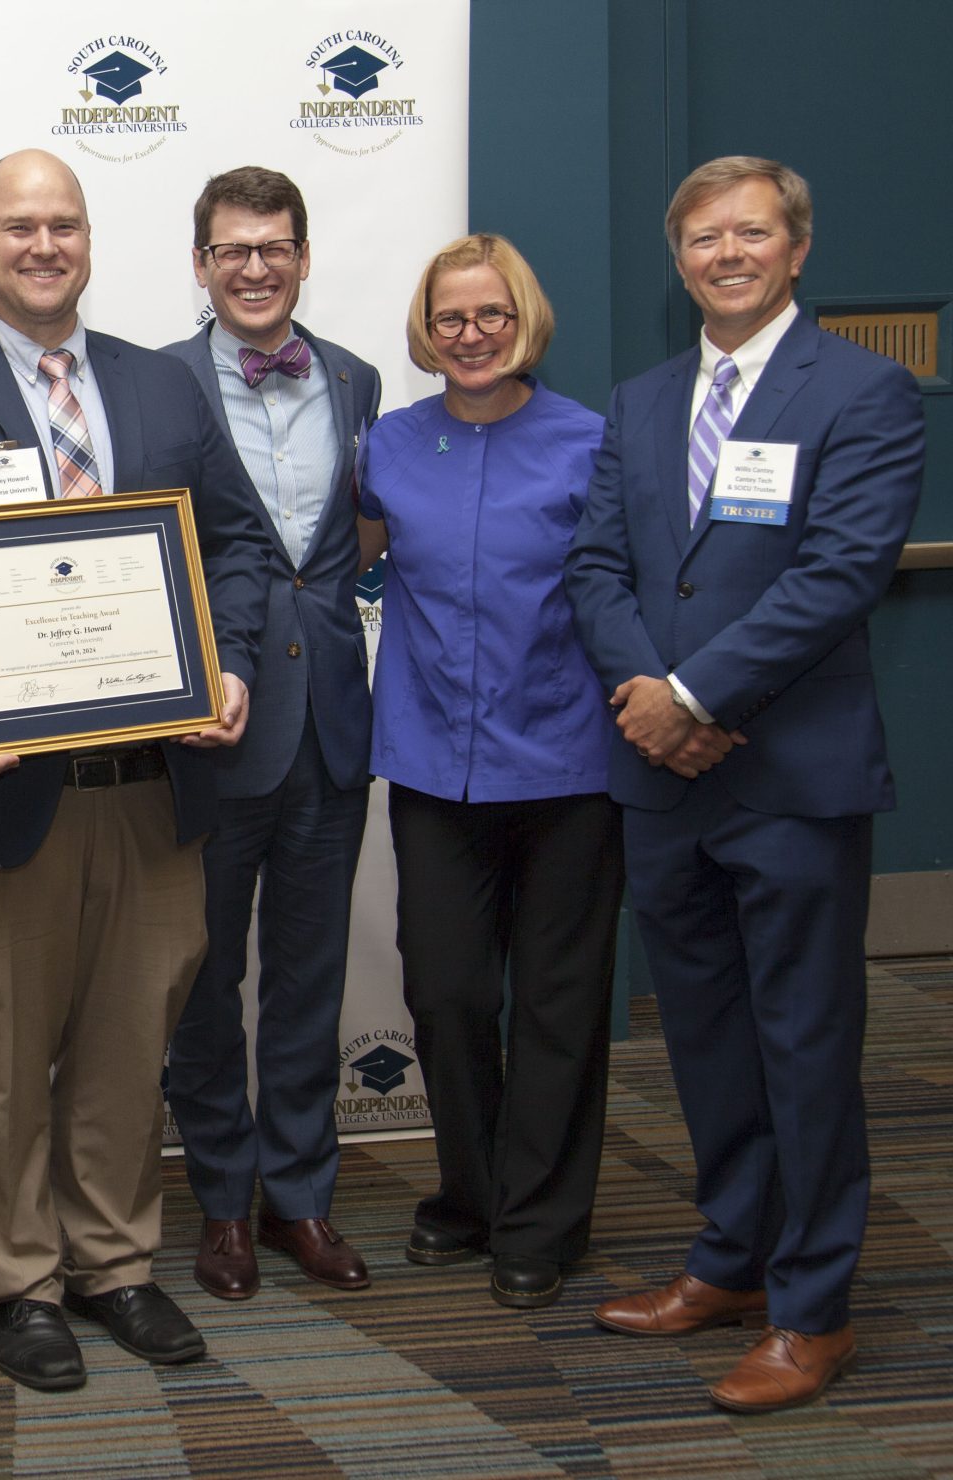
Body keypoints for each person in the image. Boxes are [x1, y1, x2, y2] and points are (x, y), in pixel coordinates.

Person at [0, 150, 274, 1392]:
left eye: (63, 224)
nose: (43, 245)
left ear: (90, 240)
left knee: (128, 1043)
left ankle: (115, 1264)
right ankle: (16, 1281)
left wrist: (229, 664)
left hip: (150, 787)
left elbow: (233, 542)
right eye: (17, 226)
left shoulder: (160, 388)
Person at [569, 157, 923, 1411]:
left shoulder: (866, 393)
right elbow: (597, 569)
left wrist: (696, 698)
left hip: (787, 778)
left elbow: (836, 575)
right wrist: (645, 701)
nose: (726, 252)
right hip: (663, 781)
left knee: (805, 1044)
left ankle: (812, 1305)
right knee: (708, 1038)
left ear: (793, 248)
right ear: (679, 260)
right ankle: (726, 1259)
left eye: (750, 232)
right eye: (703, 237)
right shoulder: (642, 397)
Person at [355, 234, 623, 1311]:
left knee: (558, 1001)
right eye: (449, 317)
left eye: (490, 316)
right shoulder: (384, 445)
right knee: (447, 990)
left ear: (524, 323)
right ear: (425, 330)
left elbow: (617, 587)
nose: (469, 335)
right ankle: (468, 1191)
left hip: (564, 759)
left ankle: (541, 1217)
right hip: (429, 762)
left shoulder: (590, 444)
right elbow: (344, 559)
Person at [160, 166, 382, 1300]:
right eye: (232, 249)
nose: (254, 267)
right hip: (208, 722)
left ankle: (299, 1196)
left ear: (301, 257)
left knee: (308, 976)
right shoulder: (150, 386)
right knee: (202, 981)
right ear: (200, 264)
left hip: (331, 721)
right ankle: (219, 1203)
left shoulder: (353, 377)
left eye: (275, 247)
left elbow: (349, 544)